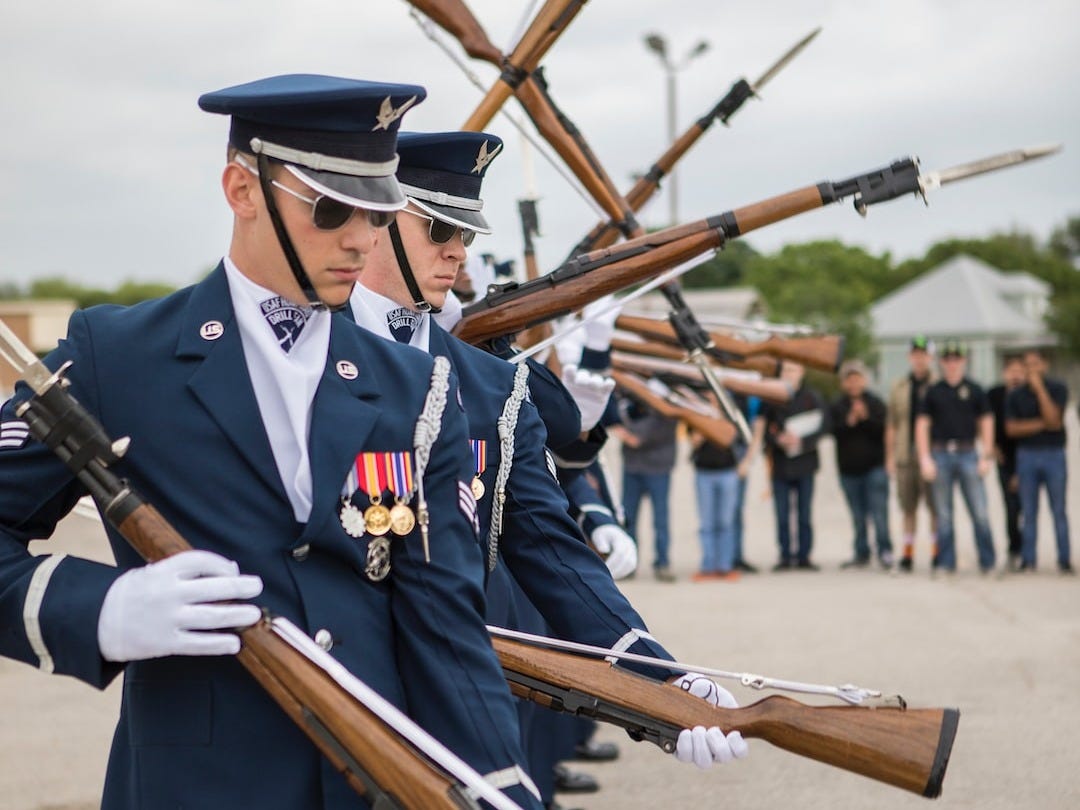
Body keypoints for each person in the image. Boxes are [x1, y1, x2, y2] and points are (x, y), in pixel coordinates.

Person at [0, 75, 547, 808]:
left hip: (373, 783)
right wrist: (99, 607)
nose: (360, 237)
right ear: (241, 188)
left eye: (379, 211)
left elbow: (446, 620)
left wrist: (501, 785)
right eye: (331, 207)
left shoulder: (417, 388)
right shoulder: (119, 358)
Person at [347, 130, 749, 805]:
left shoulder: (494, 386)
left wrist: (659, 683)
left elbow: (546, 545)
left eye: (466, 231)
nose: (457, 249)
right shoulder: (297, 349)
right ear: (378, 221)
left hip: (458, 709)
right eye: (438, 226)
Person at [915, 340, 996, 574]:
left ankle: (987, 561)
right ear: (941, 362)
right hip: (941, 454)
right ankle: (946, 562)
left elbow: (987, 421)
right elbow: (922, 425)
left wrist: (987, 455)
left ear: (964, 361)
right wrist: (924, 457)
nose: (952, 364)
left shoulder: (975, 389)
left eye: (956, 359)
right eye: (948, 359)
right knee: (944, 514)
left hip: (968, 453)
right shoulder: (933, 391)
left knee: (979, 511)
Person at [1005, 349, 1072, 574]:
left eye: (1036, 364)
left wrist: (1040, 390)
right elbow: (1012, 428)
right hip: (1027, 456)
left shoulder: (1057, 389)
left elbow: (1055, 421)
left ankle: (1064, 559)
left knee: (1058, 509)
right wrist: (1042, 424)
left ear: (1044, 365)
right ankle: (1028, 559)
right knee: (1029, 511)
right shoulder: (1015, 396)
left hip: (1054, 454)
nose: (1032, 369)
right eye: (1027, 365)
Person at [755, 361, 826, 571]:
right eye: (785, 370)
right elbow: (764, 430)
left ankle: (804, 555)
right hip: (781, 465)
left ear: (801, 372)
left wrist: (802, 441)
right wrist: (778, 440)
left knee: (804, 513)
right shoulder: (771, 398)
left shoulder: (811, 397)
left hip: (805, 464)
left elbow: (824, 425)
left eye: (793, 370)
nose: (789, 374)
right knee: (782, 514)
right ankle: (785, 555)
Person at [829, 360, 893, 569]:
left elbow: (883, 431)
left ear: (864, 380)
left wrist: (865, 418)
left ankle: (885, 551)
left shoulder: (875, 403)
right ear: (843, 383)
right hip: (849, 470)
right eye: (849, 379)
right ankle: (861, 552)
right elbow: (832, 431)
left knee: (879, 513)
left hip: (875, 468)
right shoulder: (838, 405)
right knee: (858, 515)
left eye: (857, 378)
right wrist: (849, 421)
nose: (853, 383)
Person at [609, 399, 680, 581]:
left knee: (660, 520)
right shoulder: (629, 402)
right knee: (628, 519)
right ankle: (629, 564)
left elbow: (638, 439)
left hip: (658, 468)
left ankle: (662, 563)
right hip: (633, 468)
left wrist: (621, 429)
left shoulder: (666, 404)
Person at [885, 335, 939, 572]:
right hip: (905, 453)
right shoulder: (899, 386)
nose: (920, 359)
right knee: (908, 507)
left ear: (930, 357)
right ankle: (907, 553)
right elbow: (892, 424)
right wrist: (889, 456)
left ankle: (938, 552)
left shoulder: (939, 385)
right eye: (915, 355)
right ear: (910, 357)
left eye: (924, 354)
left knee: (935, 507)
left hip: (932, 454)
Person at [688, 392, 743, 582]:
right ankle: (708, 565)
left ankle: (725, 566)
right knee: (707, 523)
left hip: (728, 471)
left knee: (726, 522)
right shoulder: (696, 414)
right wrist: (704, 424)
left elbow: (736, 437)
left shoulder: (731, 415)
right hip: (704, 472)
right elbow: (694, 442)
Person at [987, 355, 1026, 570]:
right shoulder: (994, 394)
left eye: (1019, 371)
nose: (1015, 375)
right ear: (1004, 373)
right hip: (1004, 457)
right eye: (1011, 371)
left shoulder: (1029, 395)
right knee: (1010, 507)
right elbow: (984, 421)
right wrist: (991, 446)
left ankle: (1027, 552)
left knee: (1027, 508)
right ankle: (1014, 549)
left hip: (1027, 457)